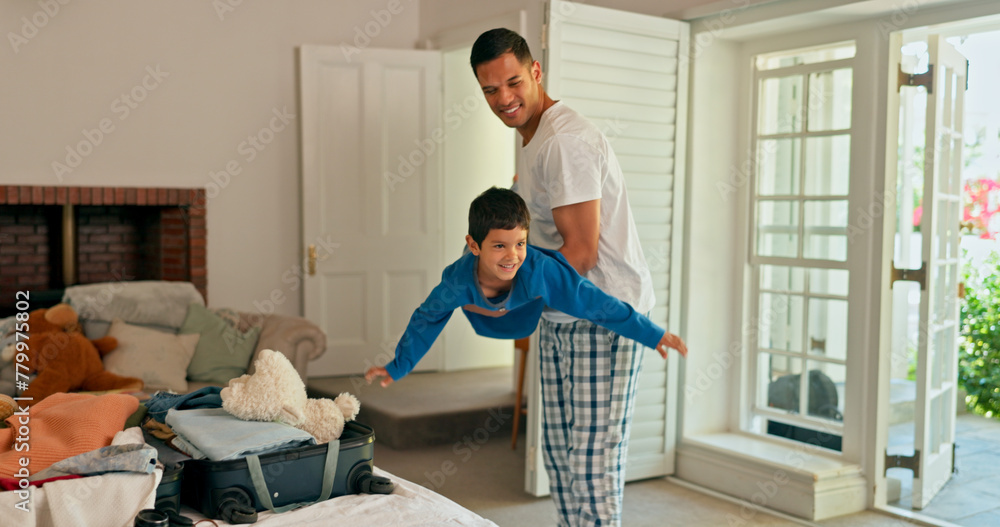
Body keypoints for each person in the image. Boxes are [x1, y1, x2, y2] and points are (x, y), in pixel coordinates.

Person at [467, 28, 678, 526]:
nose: (504, 99)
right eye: (490, 90)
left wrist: (506, 294)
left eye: (513, 83)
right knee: (562, 457)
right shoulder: (533, 138)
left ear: (536, 72)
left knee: (592, 463)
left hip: (601, 314)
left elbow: (580, 254)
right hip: (562, 313)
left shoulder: (565, 142)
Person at [364, 187, 685, 387]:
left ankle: (517, 190)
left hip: (524, 315)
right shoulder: (457, 280)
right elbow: (425, 320)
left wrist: (651, 333)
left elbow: (596, 303)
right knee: (461, 291)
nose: (512, 255)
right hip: (483, 315)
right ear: (474, 245)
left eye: (519, 243)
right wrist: (398, 366)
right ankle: (506, 204)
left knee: (549, 275)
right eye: (500, 246)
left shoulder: (537, 269)